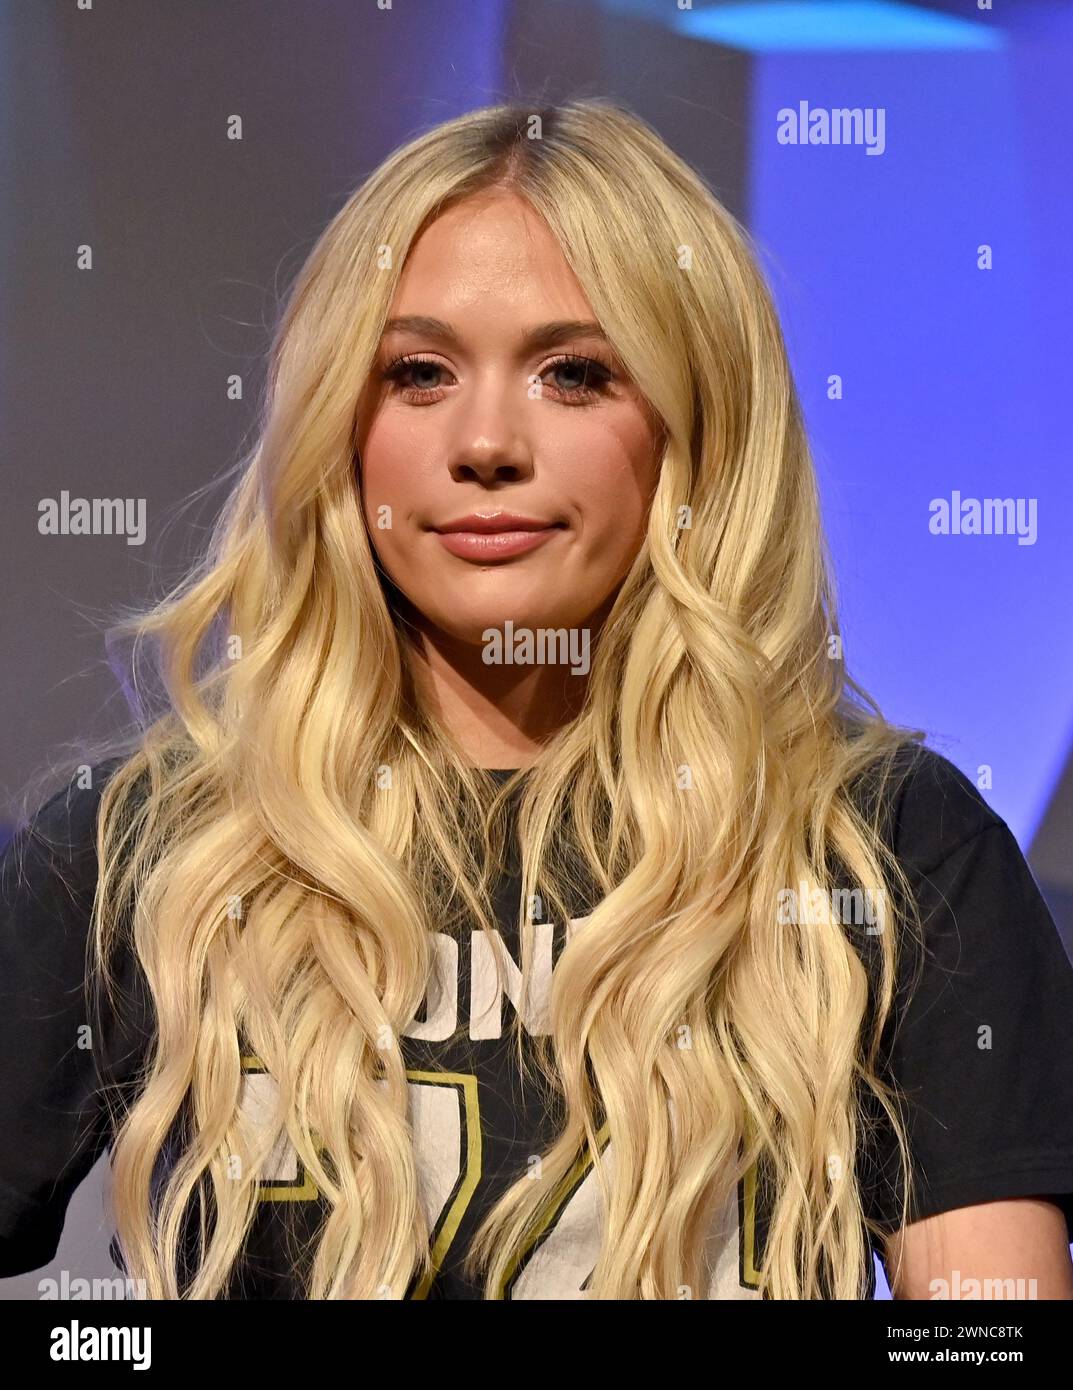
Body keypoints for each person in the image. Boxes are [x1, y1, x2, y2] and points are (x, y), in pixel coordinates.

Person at [2, 98, 1072, 1302]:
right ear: (338, 426)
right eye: (417, 373)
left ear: (697, 428)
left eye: (573, 374)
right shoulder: (146, 847)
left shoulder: (883, 845)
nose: (484, 442)